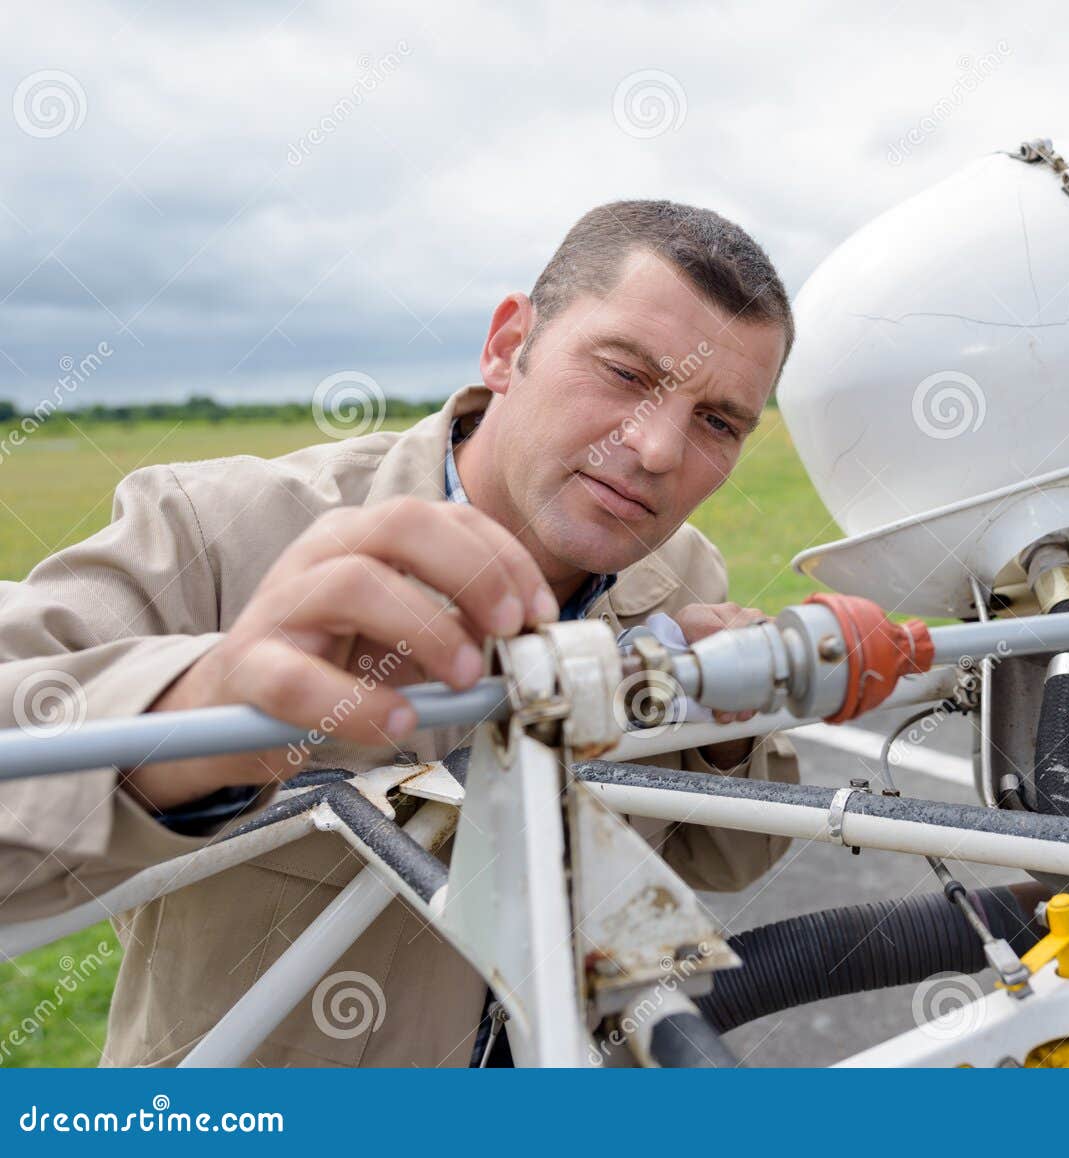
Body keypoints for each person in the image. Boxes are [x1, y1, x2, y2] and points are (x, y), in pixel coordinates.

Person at [0, 200, 801, 1066]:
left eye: (719, 422)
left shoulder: (684, 580)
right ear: (507, 347)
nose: (656, 448)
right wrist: (213, 704)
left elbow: (724, 856)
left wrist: (730, 733)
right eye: (624, 373)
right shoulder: (216, 533)